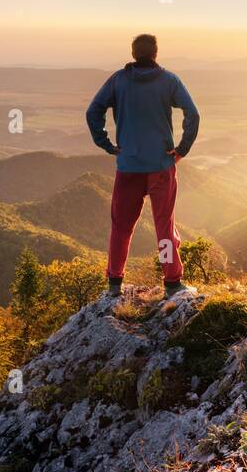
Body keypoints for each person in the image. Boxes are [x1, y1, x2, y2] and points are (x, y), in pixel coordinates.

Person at [86, 33, 200, 296]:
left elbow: (93, 112)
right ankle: (172, 282)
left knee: (121, 226)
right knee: (164, 226)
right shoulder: (169, 80)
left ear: (134, 53)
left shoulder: (118, 81)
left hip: (128, 167)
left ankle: (114, 283)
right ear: (156, 53)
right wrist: (182, 149)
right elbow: (192, 114)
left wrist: (106, 144)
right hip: (161, 166)